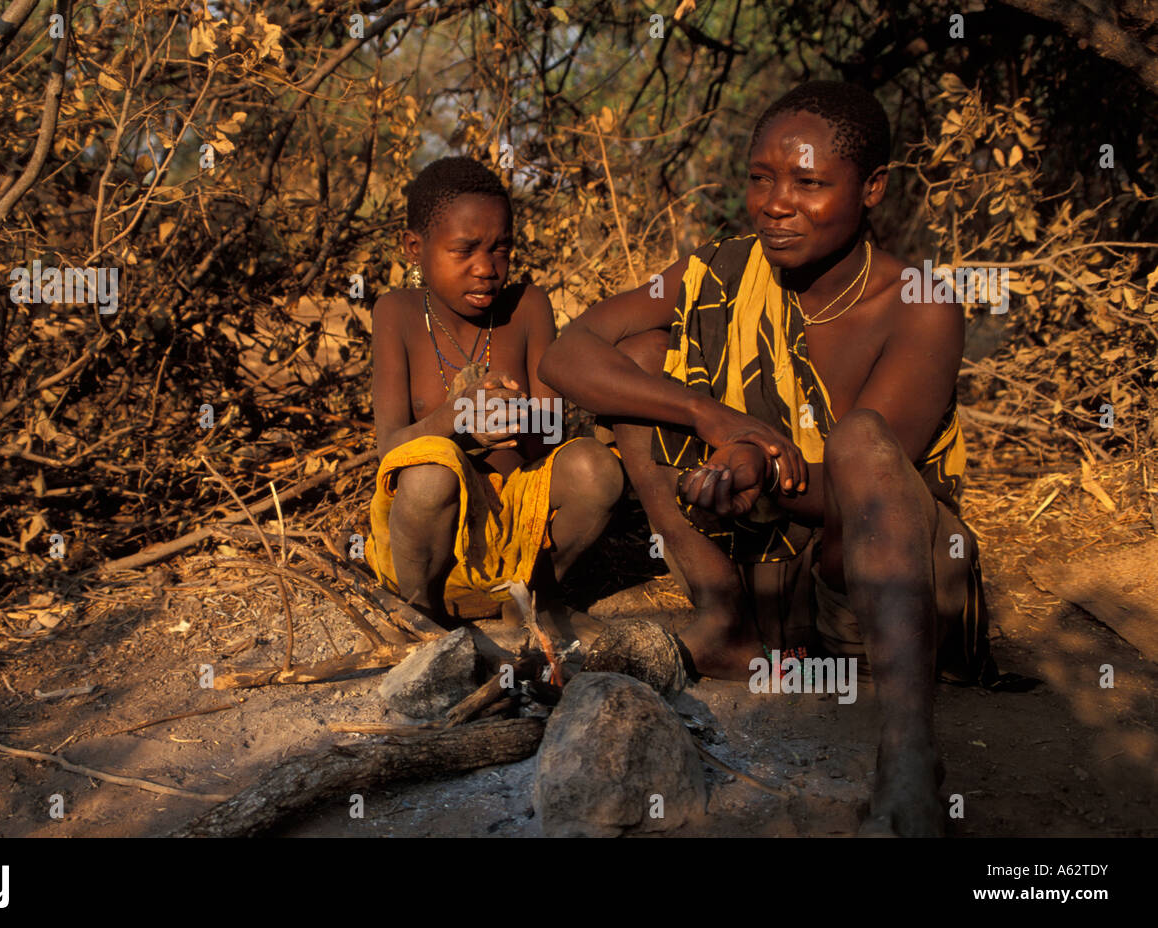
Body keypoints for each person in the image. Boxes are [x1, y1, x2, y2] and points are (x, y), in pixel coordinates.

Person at [538, 81, 1004, 836]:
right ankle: (723, 623)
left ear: (872, 189)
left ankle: (910, 755)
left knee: (858, 438)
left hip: (871, 588)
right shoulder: (723, 272)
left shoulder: (921, 303)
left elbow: (858, 492)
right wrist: (707, 414)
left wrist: (759, 473)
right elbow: (567, 353)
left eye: (810, 183)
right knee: (640, 357)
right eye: (761, 178)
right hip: (764, 585)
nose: (776, 203)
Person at [365, 156, 624, 634]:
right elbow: (389, 449)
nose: (486, 268)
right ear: (414, 248)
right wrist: (455, 418)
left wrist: (513, 418)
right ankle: (425, 620)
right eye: (464, 251)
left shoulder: (527, 306)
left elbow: (552, 433)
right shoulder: (395, 313)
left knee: (596, 469)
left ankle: (532, 602)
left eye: (501, 249)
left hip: (521, 537)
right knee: (427, 474)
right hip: (432, 548)